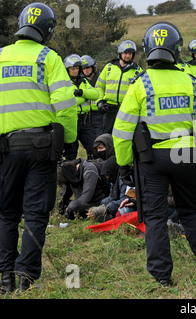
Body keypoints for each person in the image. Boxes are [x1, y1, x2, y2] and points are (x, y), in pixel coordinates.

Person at [112, 22, 196, 286]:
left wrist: (124, 164)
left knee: (154, 217)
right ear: (176, 48)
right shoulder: (190, 81)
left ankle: (162, 276)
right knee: (191, 212)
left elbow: (121, 131)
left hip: (151, 160)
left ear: (148, 50)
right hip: (185, 156)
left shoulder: (139, 84)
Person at [0, 2, 77, 293]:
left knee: (6, 213)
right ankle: (26, 277)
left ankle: (5, 277)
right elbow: (67, 107)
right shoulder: (49, 58)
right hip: (41, 148)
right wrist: (69, 143)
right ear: (47, 29)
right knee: (34, 213)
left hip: (5, 149)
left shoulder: (0, 56)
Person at [96, 40, 142, 134]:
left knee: (124, 137)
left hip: (126, 111)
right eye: (125, 53)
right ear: (120, 53)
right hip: (109, 110)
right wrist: (99, 101)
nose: (128, 56)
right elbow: (99, 87)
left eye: (130, 53)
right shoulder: (109, 67)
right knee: (106, 139)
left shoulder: (138, 71)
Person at [63, 54, 100, 160]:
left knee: (94, 148)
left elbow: (95, 94)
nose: (75, 71)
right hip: (71, 121)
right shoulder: (64, 84)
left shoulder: (83, 81)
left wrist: (81, 92)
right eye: (72, 69)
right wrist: (85, 97)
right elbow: (69, 101)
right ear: (67, 70)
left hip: (85, 121)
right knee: (71, 152)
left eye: (77, 68)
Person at [81, 55, 103, 137]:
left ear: (93, 67)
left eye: (87, 68)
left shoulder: (101, 78)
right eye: (83, 69)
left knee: (100, 138)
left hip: (99, 114)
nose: (85, 71)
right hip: (86, 116)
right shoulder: (81, 81)